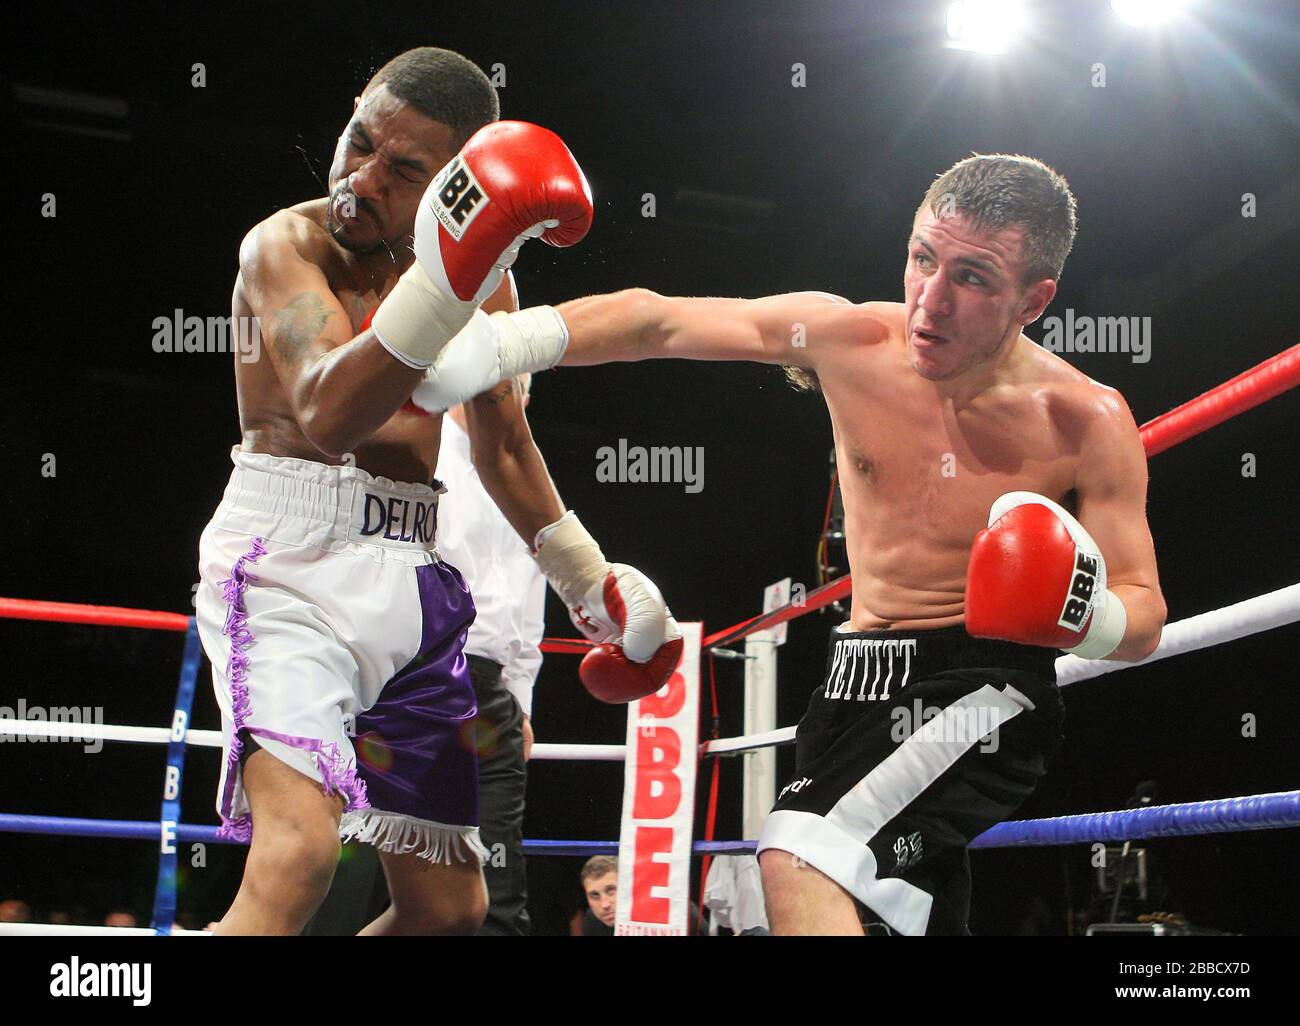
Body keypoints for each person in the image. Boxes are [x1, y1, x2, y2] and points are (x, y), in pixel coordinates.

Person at [421, 154, 1165, 935]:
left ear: (1035, 300)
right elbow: (661, 321)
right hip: (849, 683)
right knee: (899, 913)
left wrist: (1079, 613)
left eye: (974, 278)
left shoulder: (1086, 419)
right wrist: (505, 343)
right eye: (922, 259)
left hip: (981, 686)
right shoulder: (849, 340)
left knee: (797, 854)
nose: (931, 301)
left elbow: (1143, 610)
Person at [195, 47, 679, 936]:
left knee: (452, 912)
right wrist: (447, 280)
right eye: (359, 141)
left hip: (414, 578)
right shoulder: (284, 247)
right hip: (287, 566)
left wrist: (584, 578)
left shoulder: (486, 282)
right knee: (300, 853)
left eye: (404, 170)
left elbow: (502, 444)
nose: (360, 178)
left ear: (455, 181)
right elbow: (329, 410)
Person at [304, 376, 546, 936]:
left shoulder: (520, 468)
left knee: (495, 883)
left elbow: (529, 586)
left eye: (525, 389)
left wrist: (522, 696)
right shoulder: (414, 449)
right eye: (508, 384)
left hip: (492, 692)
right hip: (410, 674)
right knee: (353, 862)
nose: (517, 398)